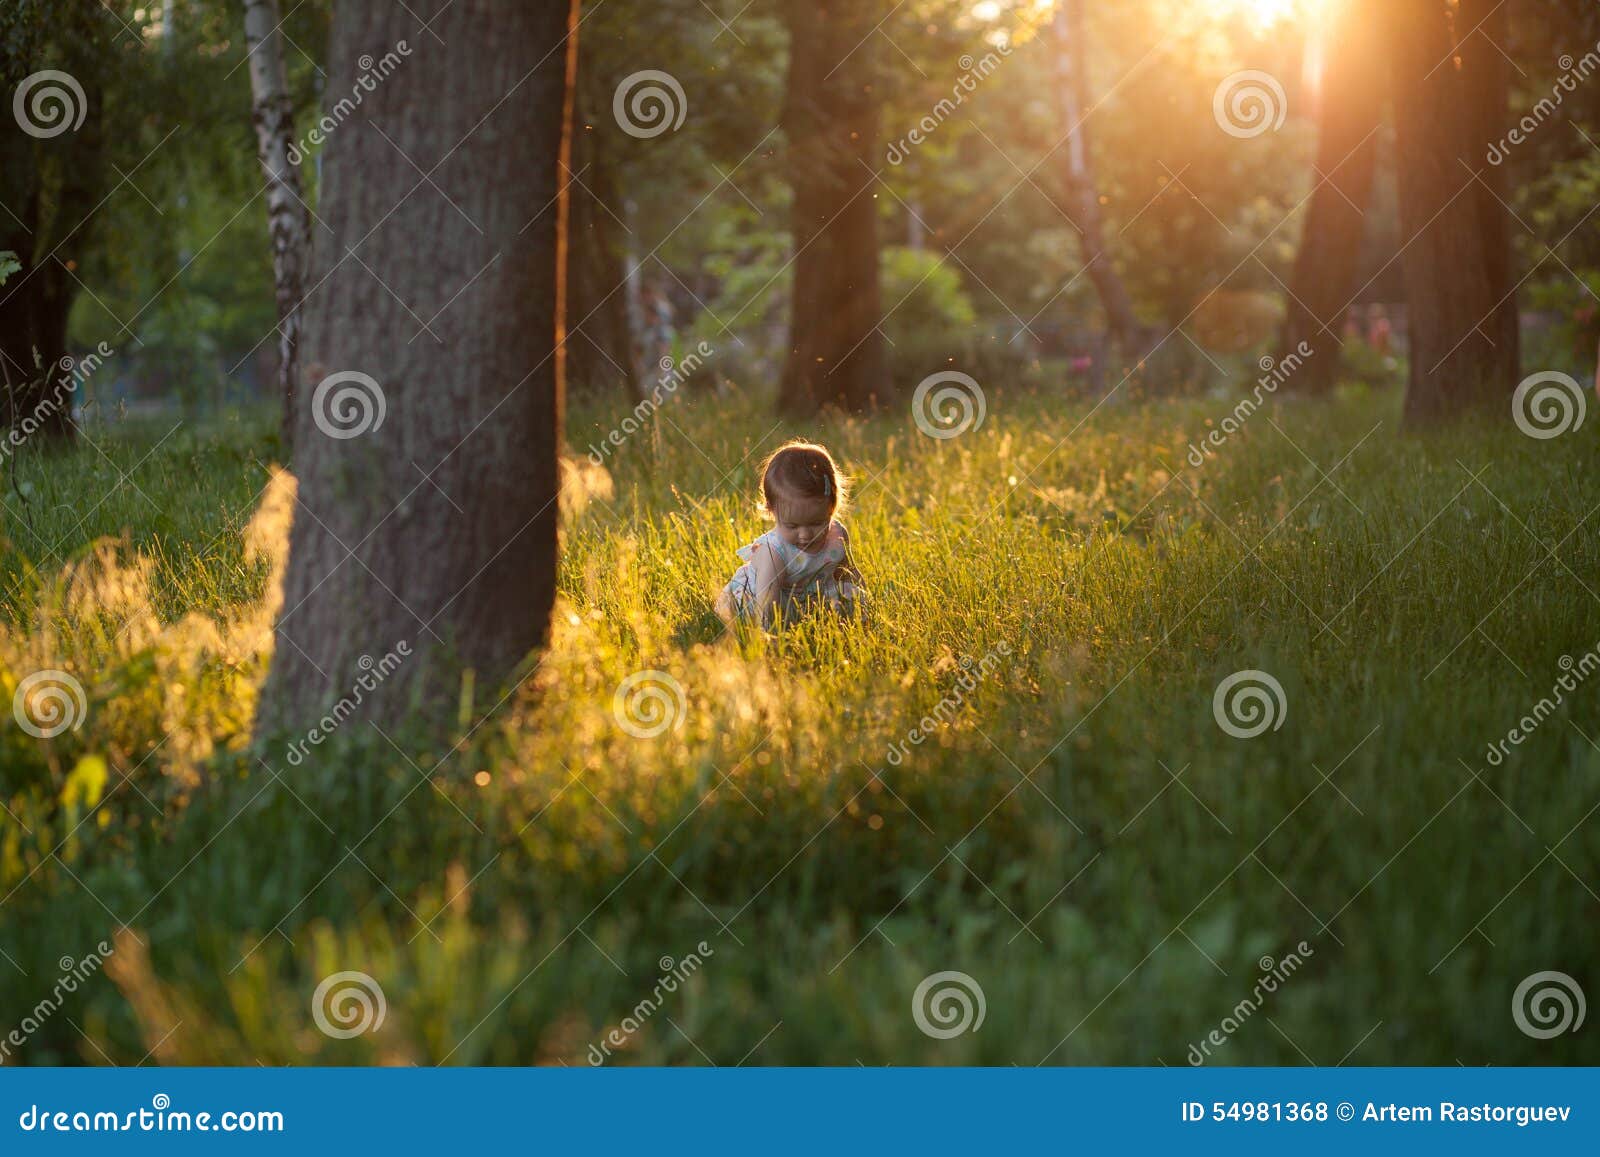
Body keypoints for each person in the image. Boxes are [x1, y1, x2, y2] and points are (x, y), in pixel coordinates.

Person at [717, 441, 863, 628]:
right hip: (768, 601)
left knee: (851, 596)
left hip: (811, 599)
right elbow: (767, 607)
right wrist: (772, 635)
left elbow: (848, 572)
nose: (805, 534)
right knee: (758, 614)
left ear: (831, 508)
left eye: (817, 523)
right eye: (792, 526)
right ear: (771, 510)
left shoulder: (837, 535)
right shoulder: (773, 553)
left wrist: (862, 597)